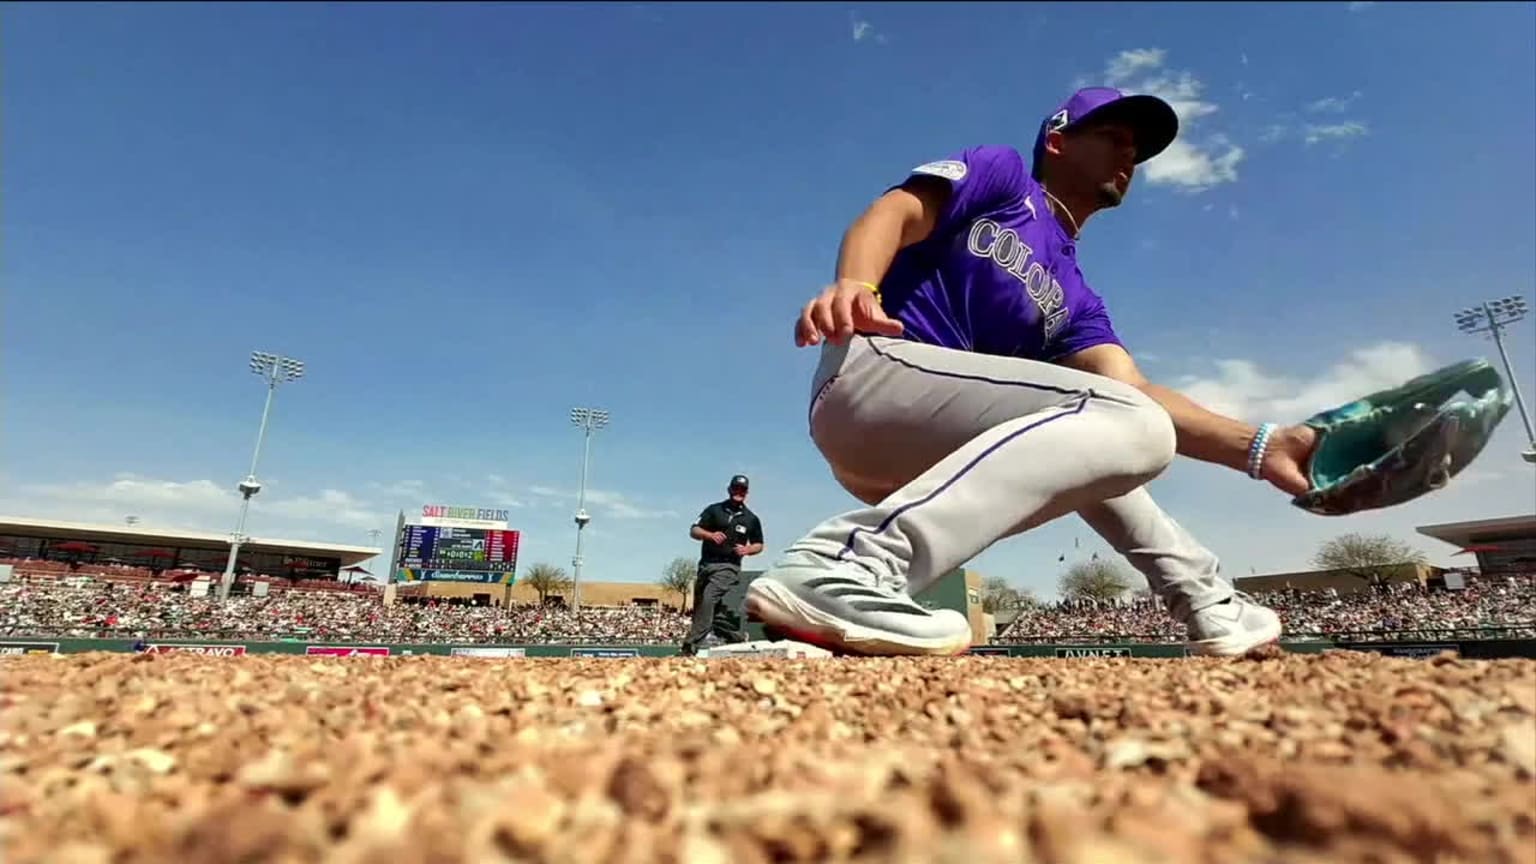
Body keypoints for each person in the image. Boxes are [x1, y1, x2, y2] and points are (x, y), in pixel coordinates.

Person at [744, 86, 1314, 658]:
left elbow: (1136, 394)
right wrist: (858, 284)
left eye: (1136, 151)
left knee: (1103, 437)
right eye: (1113, 137)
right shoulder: (1007, 176)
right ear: (1059, 141)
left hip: (934, 448)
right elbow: (896, 210)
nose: (1128, 157)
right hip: (876, 373)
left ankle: (1206, 602)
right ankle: (848, 564)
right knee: (1121, 418)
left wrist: (1261, 447)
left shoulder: (1078, 296)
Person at [680, 474, 765, 655]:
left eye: (742, 490)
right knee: (706, 606)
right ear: (729, 489)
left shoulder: (751, 519)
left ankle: (690, 646)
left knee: (710, 598)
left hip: (729, 567)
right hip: (706, 564)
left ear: (746, 492)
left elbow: (759, 544)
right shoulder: (714, 510)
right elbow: (694, 530)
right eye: (736, 488)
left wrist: (748, 550)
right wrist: (709, 535)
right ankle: (737, 638)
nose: (738, 492)